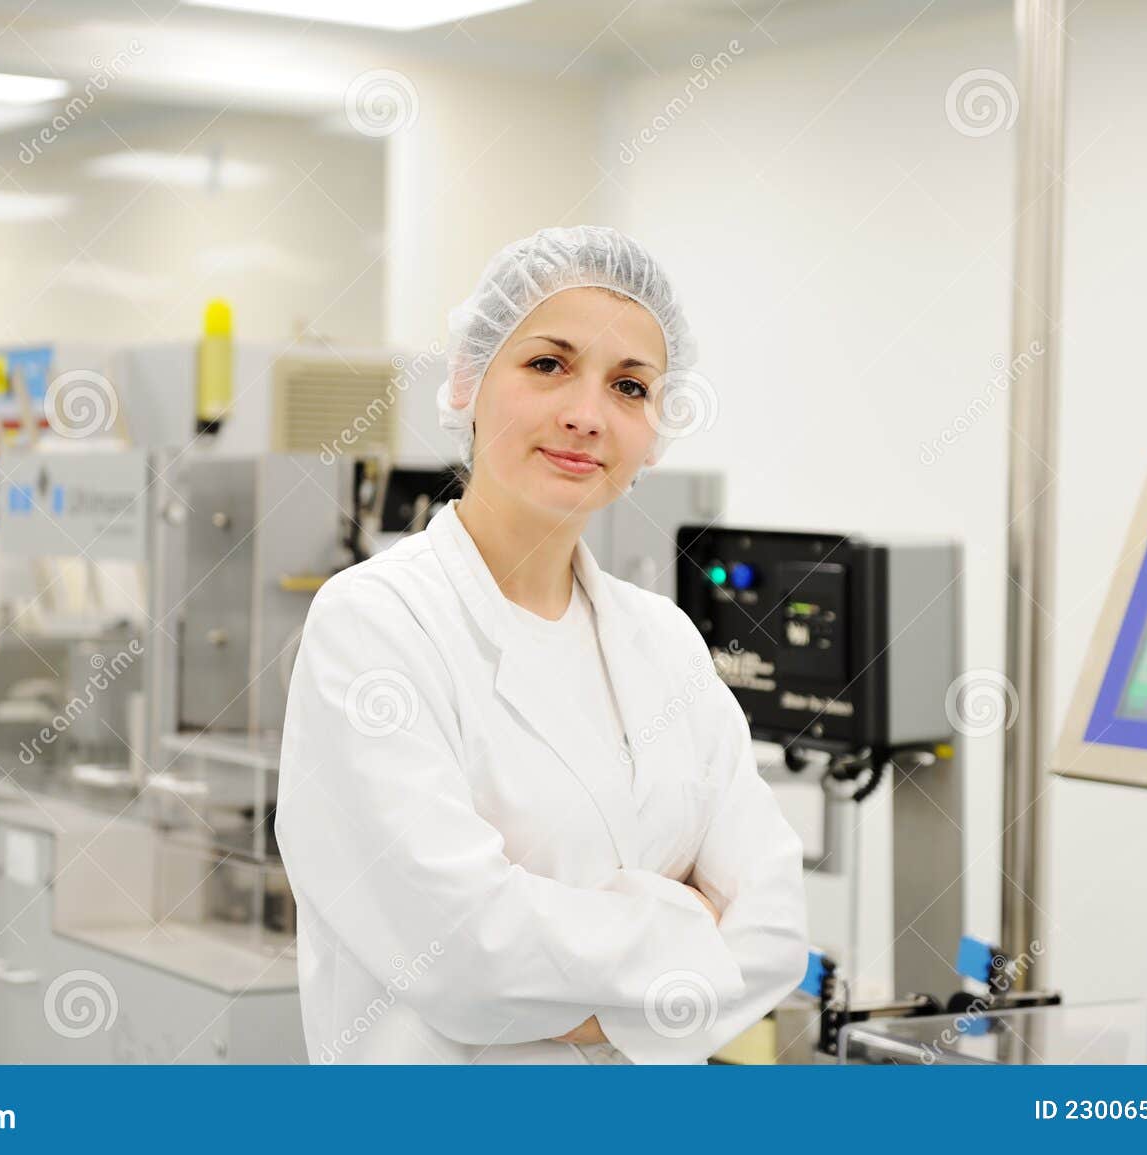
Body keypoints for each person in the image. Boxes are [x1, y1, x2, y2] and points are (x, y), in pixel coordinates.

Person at [276, 224, 808, 1064]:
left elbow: (776, 929)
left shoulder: (664, 638)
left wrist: (572, 980)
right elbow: (465, 953)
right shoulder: (375, 621)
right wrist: (685, 929)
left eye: (629, 386)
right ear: (467, 380)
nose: (586, 415)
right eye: (548, 364)